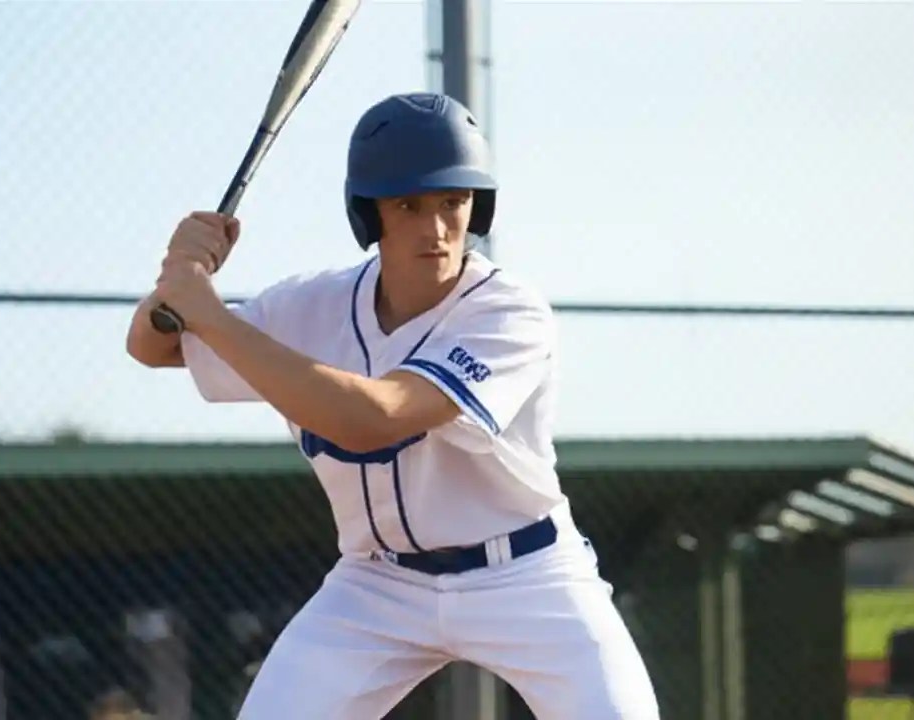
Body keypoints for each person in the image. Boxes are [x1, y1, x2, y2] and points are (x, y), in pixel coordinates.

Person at [126, 92, 660, 719]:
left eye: (452, 202)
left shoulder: (509, 311)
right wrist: (179, 273)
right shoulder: (312, 305)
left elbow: (373, 420)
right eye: (408, 204)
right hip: (379, 583)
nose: (436, 229)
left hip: (525, 575)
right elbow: (154, 346)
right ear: (369, 214)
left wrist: (209, 311)